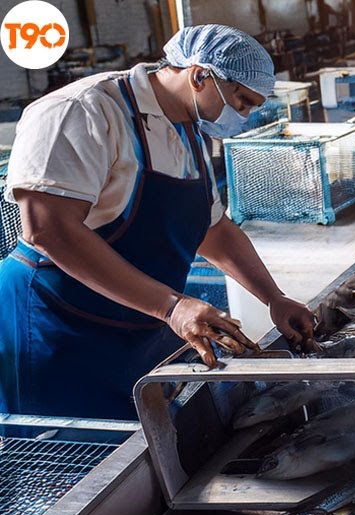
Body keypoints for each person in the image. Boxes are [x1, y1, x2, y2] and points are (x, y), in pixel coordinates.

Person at [0, 24, 316, 423]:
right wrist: (170, 306)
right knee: (65, 467)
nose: (244, 114)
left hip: (135, 326)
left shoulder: (189, 130)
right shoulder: (84, 111)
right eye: (241, 99)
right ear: (200, 76)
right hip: (53, 327)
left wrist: (273, 298)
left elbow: (214, 231)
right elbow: (48, 229)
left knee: (140, 454)